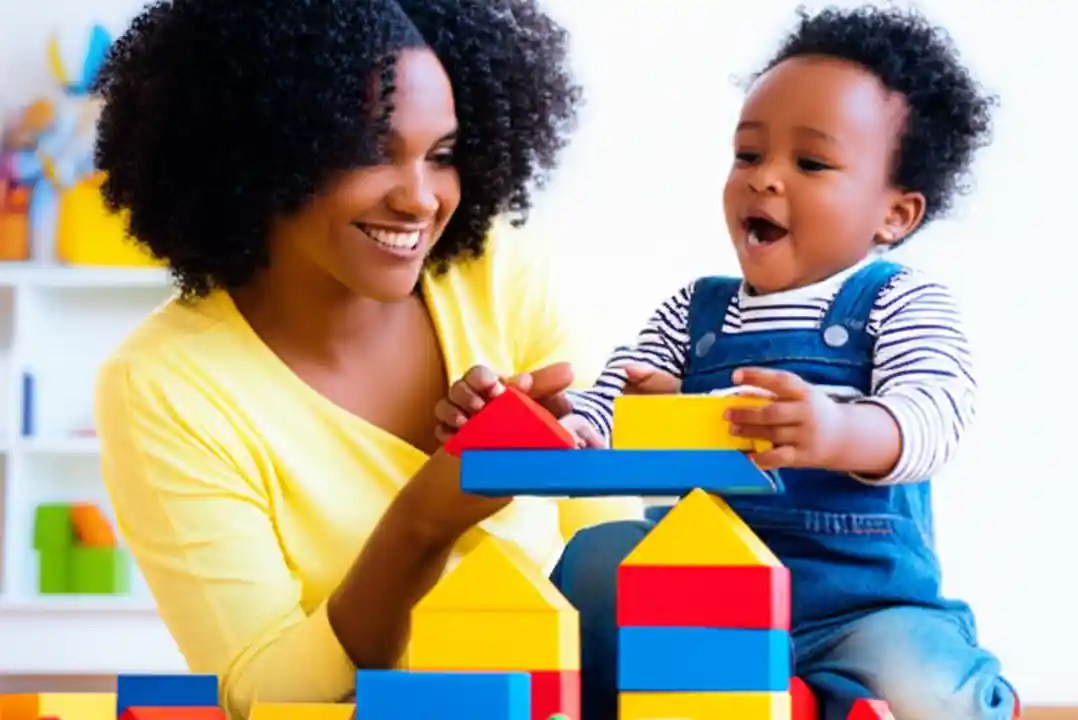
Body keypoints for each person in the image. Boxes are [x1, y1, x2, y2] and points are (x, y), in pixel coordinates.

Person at [439, 5, 1013, 720]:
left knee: (924, 685)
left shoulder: (899, 301)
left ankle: (877, 698)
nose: (766, 179)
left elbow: (938, 414)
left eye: (810, 162)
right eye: (749, 155)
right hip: (702, 589)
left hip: (858, 608)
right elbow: (610, 401)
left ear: (894, 215)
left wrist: (838, 432)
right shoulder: (694, 313)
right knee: (594, 562)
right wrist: (552, 426)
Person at [90, 2, 642, 719]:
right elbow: (261, 694)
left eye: (441, 155)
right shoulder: (164, 385)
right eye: (368, 151)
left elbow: (608, 556)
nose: (420, 199)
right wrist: (423, 524)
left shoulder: (493, 270)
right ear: (263, 153)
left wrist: (582, 451)